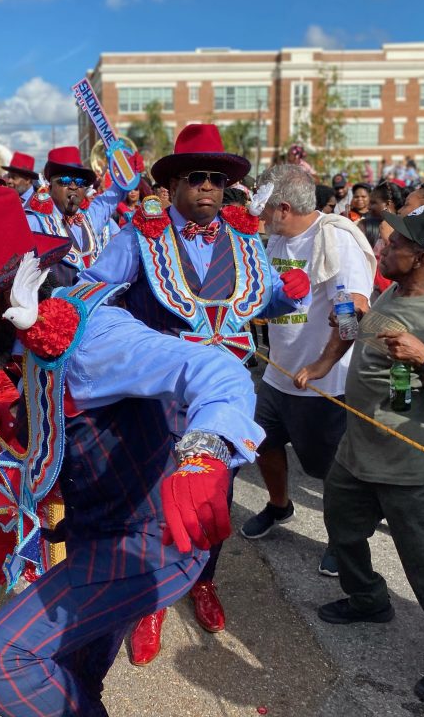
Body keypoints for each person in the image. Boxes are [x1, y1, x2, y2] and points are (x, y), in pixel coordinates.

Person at [0, 184, 265, 717]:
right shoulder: (33, 332)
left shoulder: (93, 338)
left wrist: (204, 453)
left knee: (2, 658)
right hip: (98, 535)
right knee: (73, 679)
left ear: (7, 291)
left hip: (151, 541)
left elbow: (217, 371)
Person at [80, 126, 310, 662]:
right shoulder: (141, 237)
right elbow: (91, 292)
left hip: (223, 398)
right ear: (175, 183)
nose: (209, 188)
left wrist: (285, 295)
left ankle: (204, 579)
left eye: (218, 179)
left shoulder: (247, 242)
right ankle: (151, 599)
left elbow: (261, 302)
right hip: (157, 397)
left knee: (216, 493)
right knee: (155, 494)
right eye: (197, 177)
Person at [301, 204, 424, 703]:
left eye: (394, 243)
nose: (382, 248)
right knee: (341, 531)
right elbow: (361, 329)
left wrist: (423, 358)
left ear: (423, 257)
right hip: (358, 451)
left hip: (412, 468)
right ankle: (367, 599)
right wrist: (321, 366)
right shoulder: (395, 289)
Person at [239, 163, 374, 575]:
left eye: (264, 207)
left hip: (325, 383)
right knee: (262, 442)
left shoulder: (336, 240)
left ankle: (342, 539)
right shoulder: (276, 239)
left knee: (333, 471)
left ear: (282, 207)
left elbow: (354, 313)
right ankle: (279, 507)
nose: (259, 215)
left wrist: (322, 364)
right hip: (279, 373)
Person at [23, 147, 124, 285]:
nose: (74, 187)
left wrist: (123, 163)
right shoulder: (34, 221)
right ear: (50, 186)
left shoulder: (90, 217)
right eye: (65, 180)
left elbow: (117, 191)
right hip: (56, 303)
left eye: (80, 183)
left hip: (94, 301)